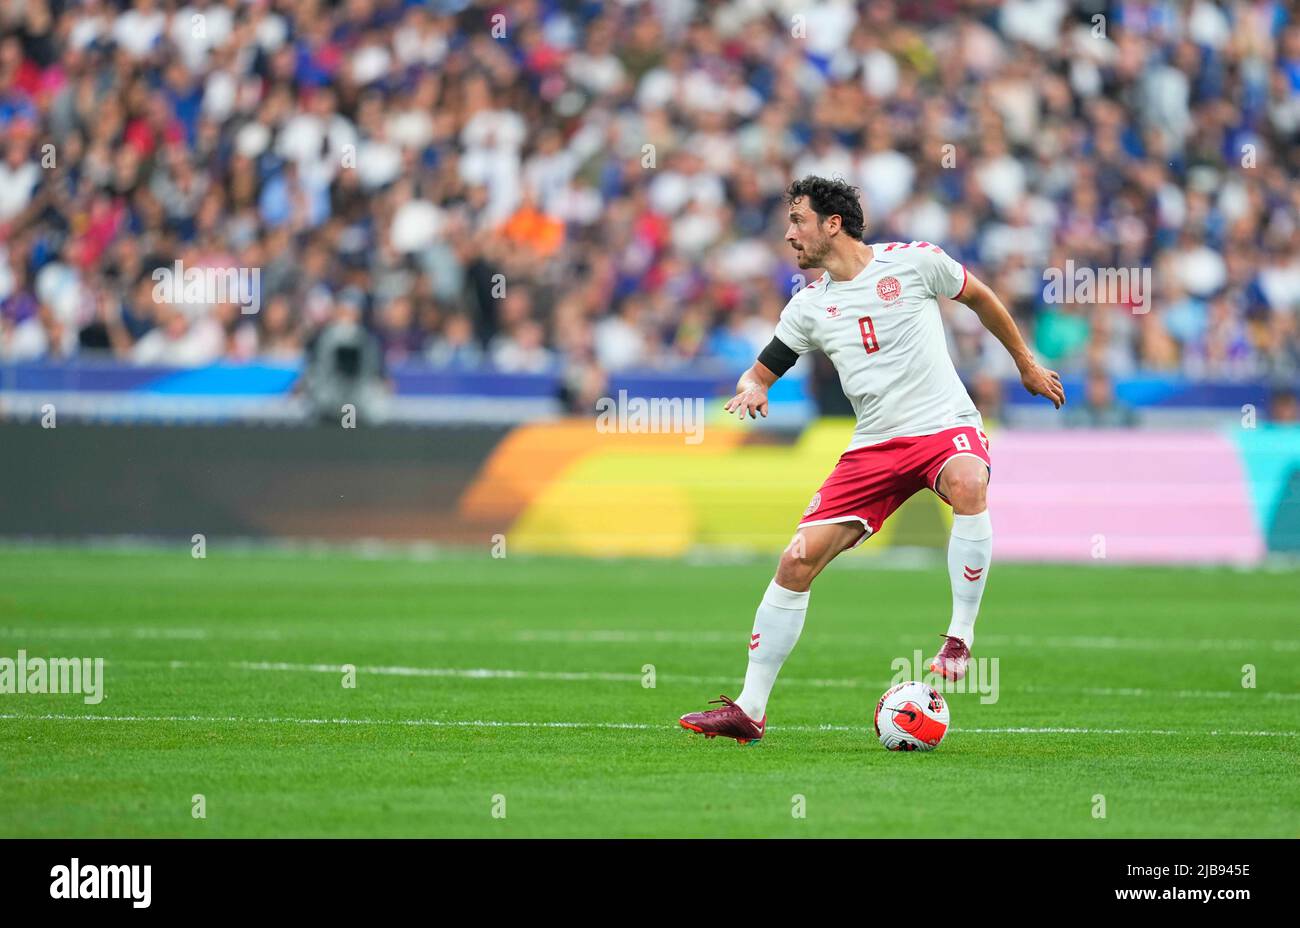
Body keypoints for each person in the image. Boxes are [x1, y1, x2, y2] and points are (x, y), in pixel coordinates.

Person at [679, 176, 1066, 744]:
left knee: (967, 482)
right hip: (874, 445)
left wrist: (1026, 364)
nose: (789, 235)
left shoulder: (915, 263)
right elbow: (760, 370)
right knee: (796, 560)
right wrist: (753, 386)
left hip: (943, 426)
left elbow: (981, 298)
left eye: (797, 222)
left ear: (831, 224)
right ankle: (749, 708)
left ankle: (959, 638)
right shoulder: (808, 306)